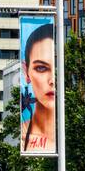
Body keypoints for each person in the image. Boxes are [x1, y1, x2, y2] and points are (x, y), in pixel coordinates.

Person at [19, 22, 56, 152]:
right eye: (41, 68)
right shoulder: (21, 136)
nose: (53, 80)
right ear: (26, 72)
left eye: (59, 69)